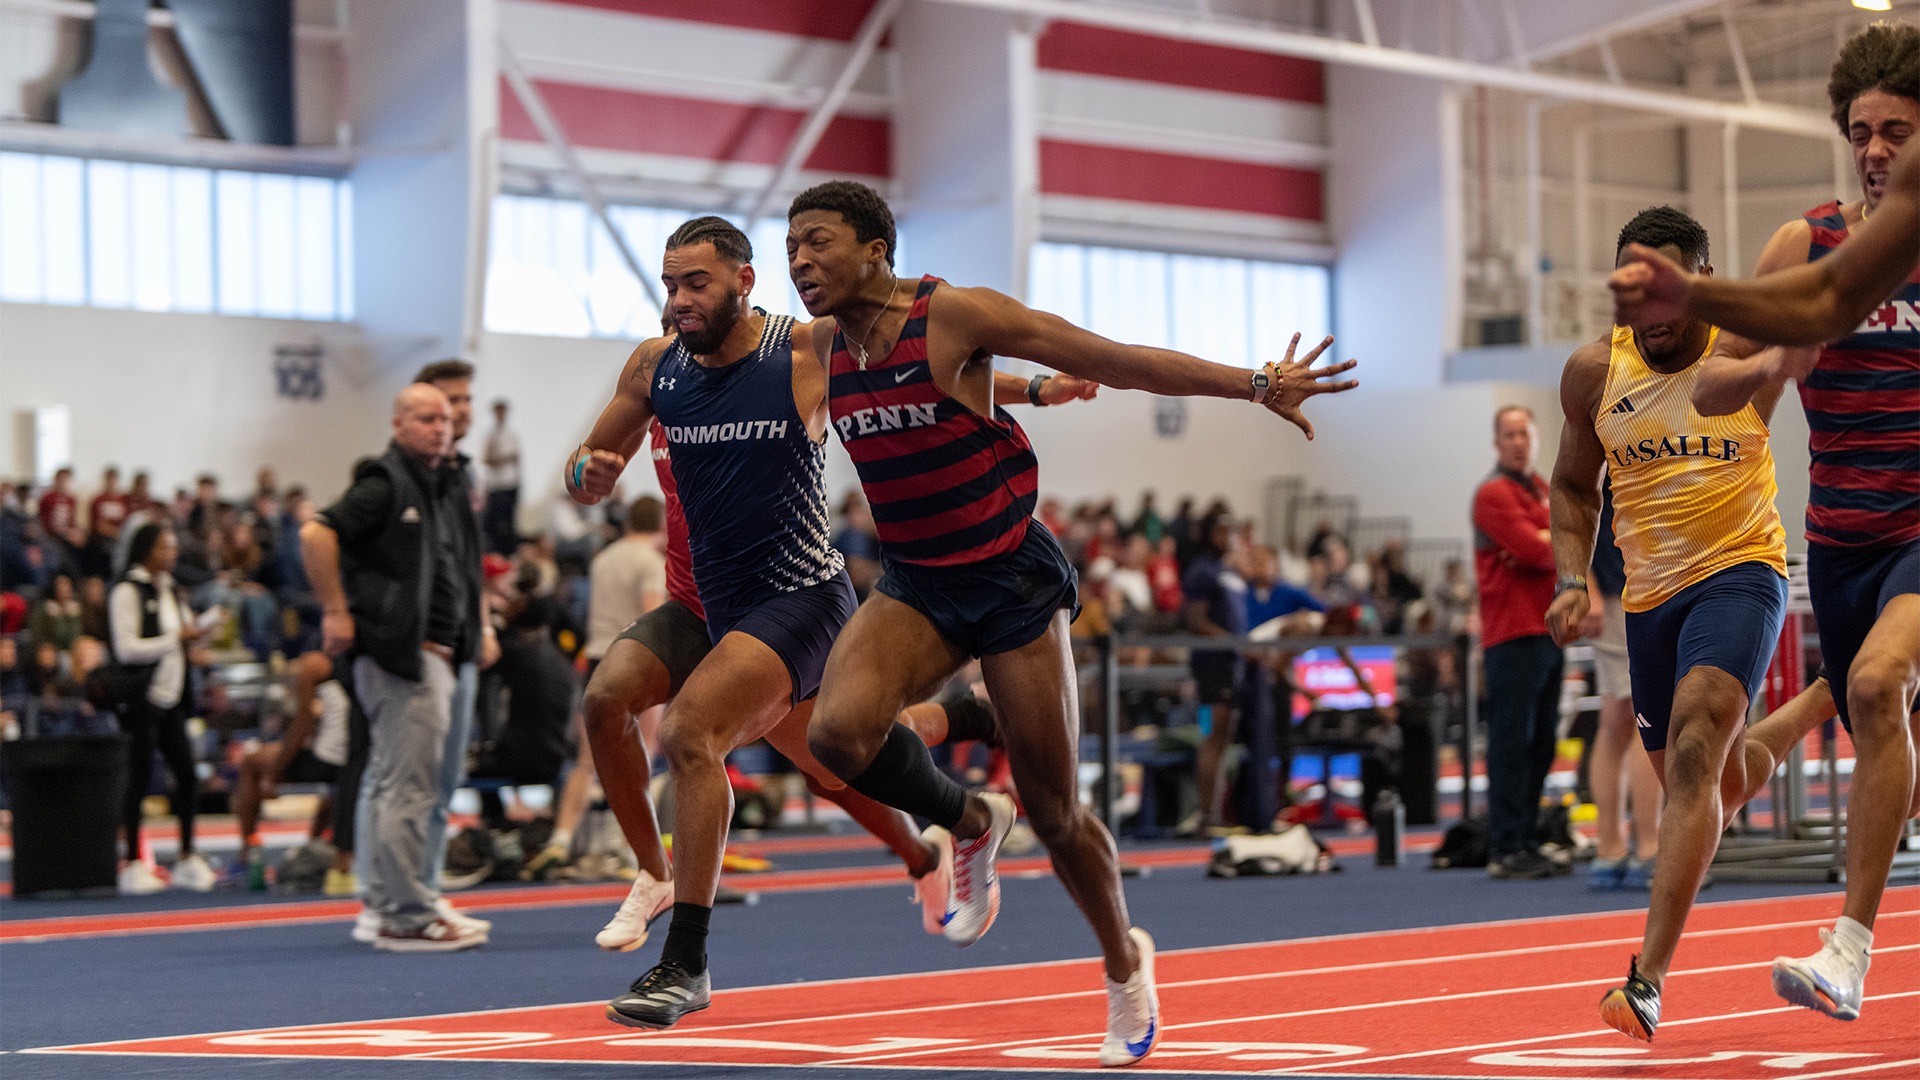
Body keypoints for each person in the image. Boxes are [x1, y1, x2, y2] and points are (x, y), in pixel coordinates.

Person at [786, 179, 1357, 1068]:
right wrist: (1035, 390)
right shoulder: (820, 345)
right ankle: (971, 817)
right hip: (917, 583)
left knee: (1056, 813)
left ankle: (1126, 964)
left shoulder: (955, 313)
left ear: (875, 250)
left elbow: (1117, 356)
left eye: (817, 242)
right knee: (837, 733)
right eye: (790, 248)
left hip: (1009, 574)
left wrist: (1252, 383)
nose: (801, 262)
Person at [568, 218, 1022, 1030]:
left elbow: (921, 373)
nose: (678, 301)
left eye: (696, 283)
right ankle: (658, 868)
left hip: (801, 595)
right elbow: (583, 467)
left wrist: (1036, 390)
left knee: (694, 733)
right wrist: (589, 472)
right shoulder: (655, 365)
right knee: (621, 701)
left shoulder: (804, 349)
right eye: (669, 285)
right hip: (705, 603)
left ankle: (686, 963)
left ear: (744, 280)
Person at [1624, 23, 1918, 1026]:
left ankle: (1849, 947)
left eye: (1899, 132)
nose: (1876, 149)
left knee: (1877, 688)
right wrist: (1771, 367)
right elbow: (1711, 387)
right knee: (1881, 711)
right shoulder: (1806, 244)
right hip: (1841, 534)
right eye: (1861, 130)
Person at [1548, 206, 1797, 1040]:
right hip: (1650, 602)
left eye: (1664, 294)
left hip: (1741, 571)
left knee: (1694, 749)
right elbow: (1573, 487)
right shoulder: (1593, 374)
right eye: (1630, 293)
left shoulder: (1742, 348)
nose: (1648, 314)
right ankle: (1823, 701)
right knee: (1715, 781)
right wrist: (1570, 577)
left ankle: (1646, 977)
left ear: (1697, 282)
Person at [301, 383, 490, 952]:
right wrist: (336, 610)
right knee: (408, 788)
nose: (441, 426)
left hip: (424, 655)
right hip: (403, 657)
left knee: (392, 784)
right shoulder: (385, 482)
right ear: (398, 422)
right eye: (427, 418)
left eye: (445, 419)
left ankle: (390, 905)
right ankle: (407, 914)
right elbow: (316, 531)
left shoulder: (434, 483)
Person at [1473, 405, 1563, 881]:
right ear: (1497, 442)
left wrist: (1547, 540)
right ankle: (1506, 844)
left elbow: (1565, 542)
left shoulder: (1545, 489)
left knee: (1544, 742)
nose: (1517, 441)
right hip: (1511, 633)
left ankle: (1527, 836)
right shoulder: (1493, 494)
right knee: (1512, 742)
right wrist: (1548, 539)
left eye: (1524, 433)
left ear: (1535, 437)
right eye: (1508, 434)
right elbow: (1540, 548)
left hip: (1548, 631)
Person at [107, 522, 216, 894]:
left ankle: (186, 855)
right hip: (142, 698)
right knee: (137, 780)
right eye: (163, 548)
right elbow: (127, 649)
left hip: (172, 698)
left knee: (186, 775)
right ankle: (133, 861)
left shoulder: (170, 589)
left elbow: (179, 638)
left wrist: (195, 639)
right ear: (145, 551)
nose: (171, 555)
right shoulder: (127, 590)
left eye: (173, 548)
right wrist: (175, 639)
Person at [1582, 482, 1660, 892]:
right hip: (1622, 584)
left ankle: (1612, 848)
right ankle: (1646, 847)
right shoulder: (1608, 423)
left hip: (1643, 577)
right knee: (1643, 716)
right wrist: (1585, 584)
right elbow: (1577, 499)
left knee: (1617, 718)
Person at [233, 651, 351, 869]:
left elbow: (301, 726)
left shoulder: (312, 664)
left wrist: (273, 774)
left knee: (252, 761)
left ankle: (246, 853)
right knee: (332, 794)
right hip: (351, 759)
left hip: (328, 759)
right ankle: (311, 845)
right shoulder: (353, 664)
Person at [483, 398, 522, 555]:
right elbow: (487, 459)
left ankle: (509, 556)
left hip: (509, 485)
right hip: (496, 486)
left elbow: (515, 458)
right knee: (496, 526)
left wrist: (498, 459)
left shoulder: (511, 435)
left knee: (508, 525)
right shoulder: (490, 435)